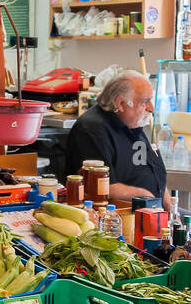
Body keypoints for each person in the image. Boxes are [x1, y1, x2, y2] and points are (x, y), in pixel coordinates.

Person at [62, 70, 170, 209]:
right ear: (120, 103)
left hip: (154, 207)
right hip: (123, 213)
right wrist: (144, 195)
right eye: (145, 101)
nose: (151, 108)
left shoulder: (132, 123)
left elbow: (153, 169)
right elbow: (102, 187)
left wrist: (169, 205)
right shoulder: (92, 130)